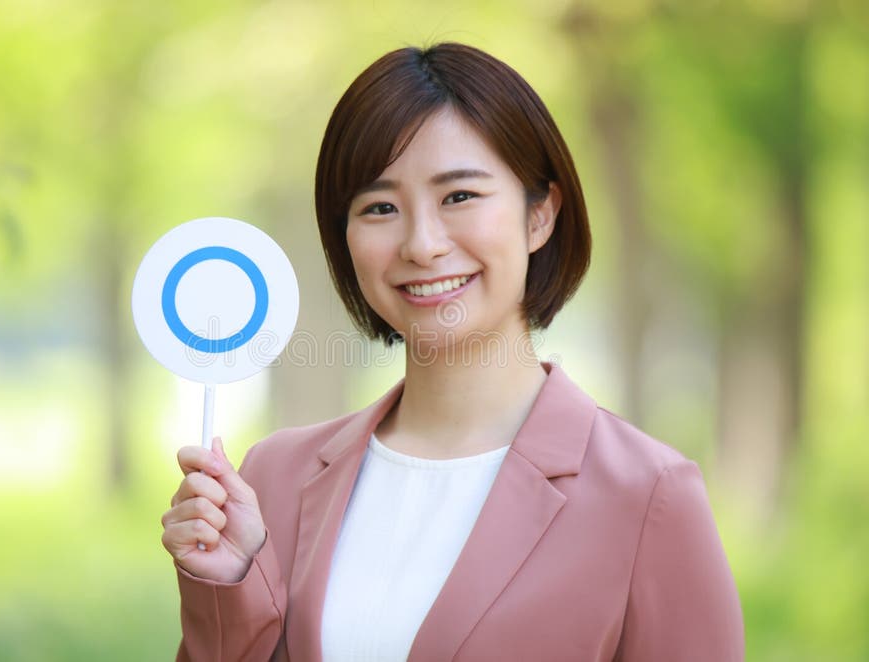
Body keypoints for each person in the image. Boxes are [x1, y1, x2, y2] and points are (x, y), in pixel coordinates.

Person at [160, 42, 745, 662]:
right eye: (380, 207)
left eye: (459, 196)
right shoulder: (273, 479)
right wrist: (227, 591)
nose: (422, 244)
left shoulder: (648, 496)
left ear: (540, 214)